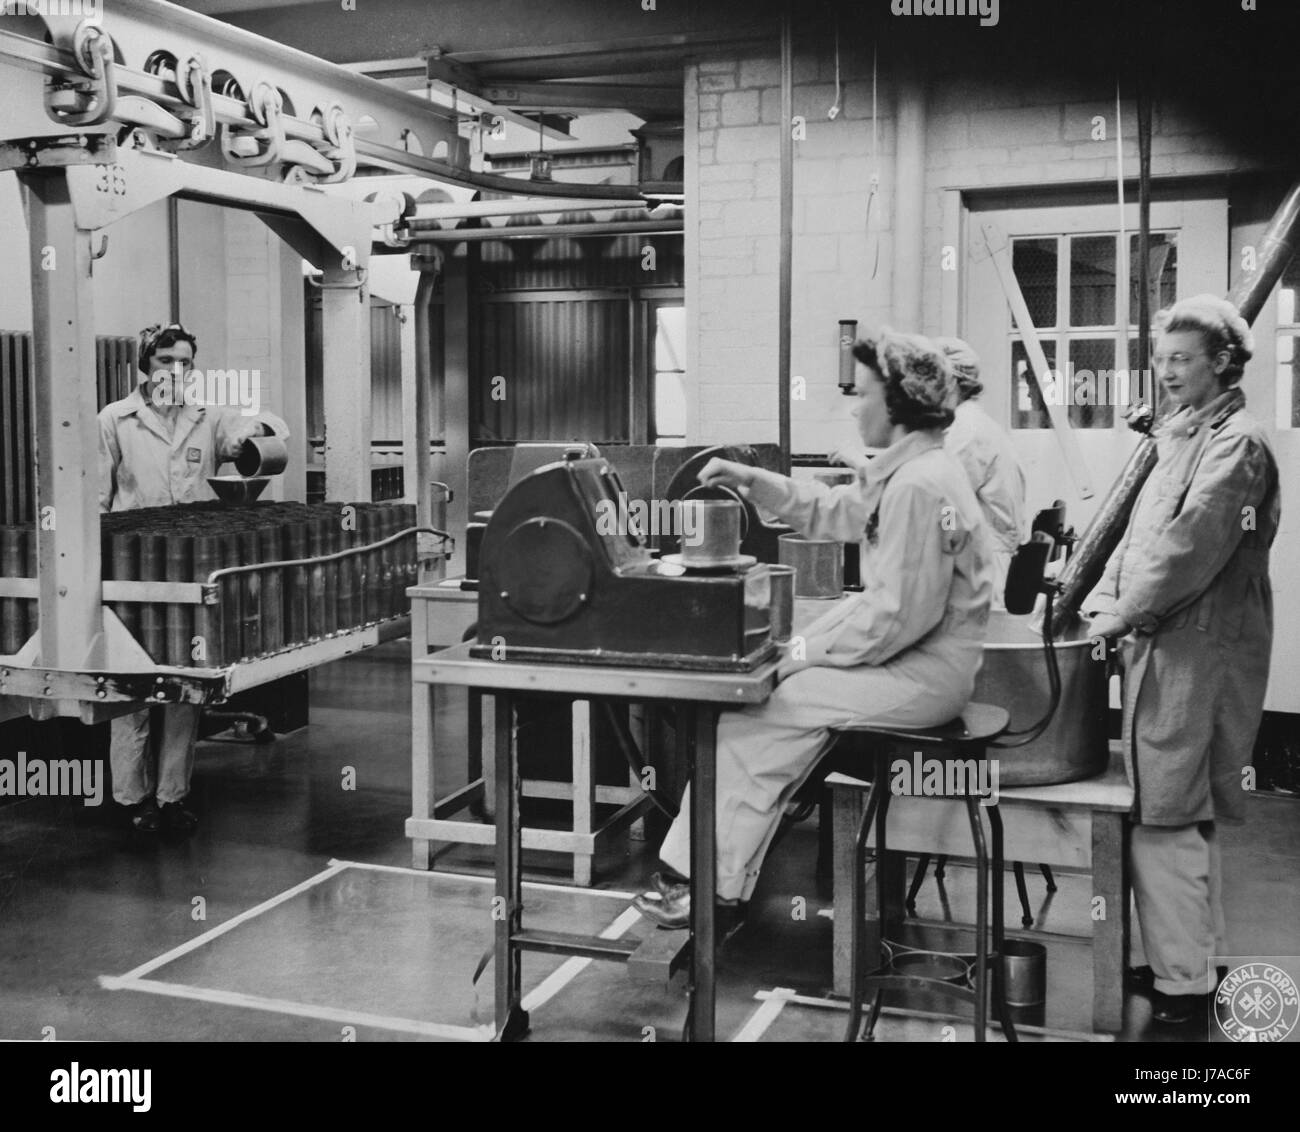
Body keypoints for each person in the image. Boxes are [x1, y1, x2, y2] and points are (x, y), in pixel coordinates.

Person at [633, 329, 995, 934]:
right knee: (762, 707)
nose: (856, 409)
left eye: (865, 395)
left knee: (771, 705)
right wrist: (754, 481)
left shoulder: (922, 483)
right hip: (917, 658)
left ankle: (706, 885)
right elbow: (841, 512)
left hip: (926, 674)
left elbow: (897, 620)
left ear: (898, 403)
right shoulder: (913, 469)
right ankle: (710, 879)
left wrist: (801, 654)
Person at [1085, 295, 1280, 1025]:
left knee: (1170, 810)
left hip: (1200, 648)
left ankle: (1183, 992)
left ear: (1223, 362)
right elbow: (1140, 537)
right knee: (1172, 808)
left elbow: (1187, 546)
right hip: (1169, 643)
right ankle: (1188, 963)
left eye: (1181, 359)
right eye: (1161, 359)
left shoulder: (1239, 444)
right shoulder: (1188, 436)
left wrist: (1121, 614)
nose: (1166, 372)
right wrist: (1100, 603)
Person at [99, 323, 290, 835]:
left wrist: (262, 433)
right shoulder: (115, 420)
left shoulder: (209, 419)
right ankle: (129, 798)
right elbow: (97, 498)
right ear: (146, 366)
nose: (175, 372)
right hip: (131, 569)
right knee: (129, 688)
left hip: (191, 570)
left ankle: (171, 796)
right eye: (165, 362)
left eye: (185, 363)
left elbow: (256, 435)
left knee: (186, 685)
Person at [934, 337, 1027, 596]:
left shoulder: (965, 432)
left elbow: (947, 506)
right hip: (987, 560)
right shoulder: (975, 423)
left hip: (981, 570)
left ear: (950, 383)